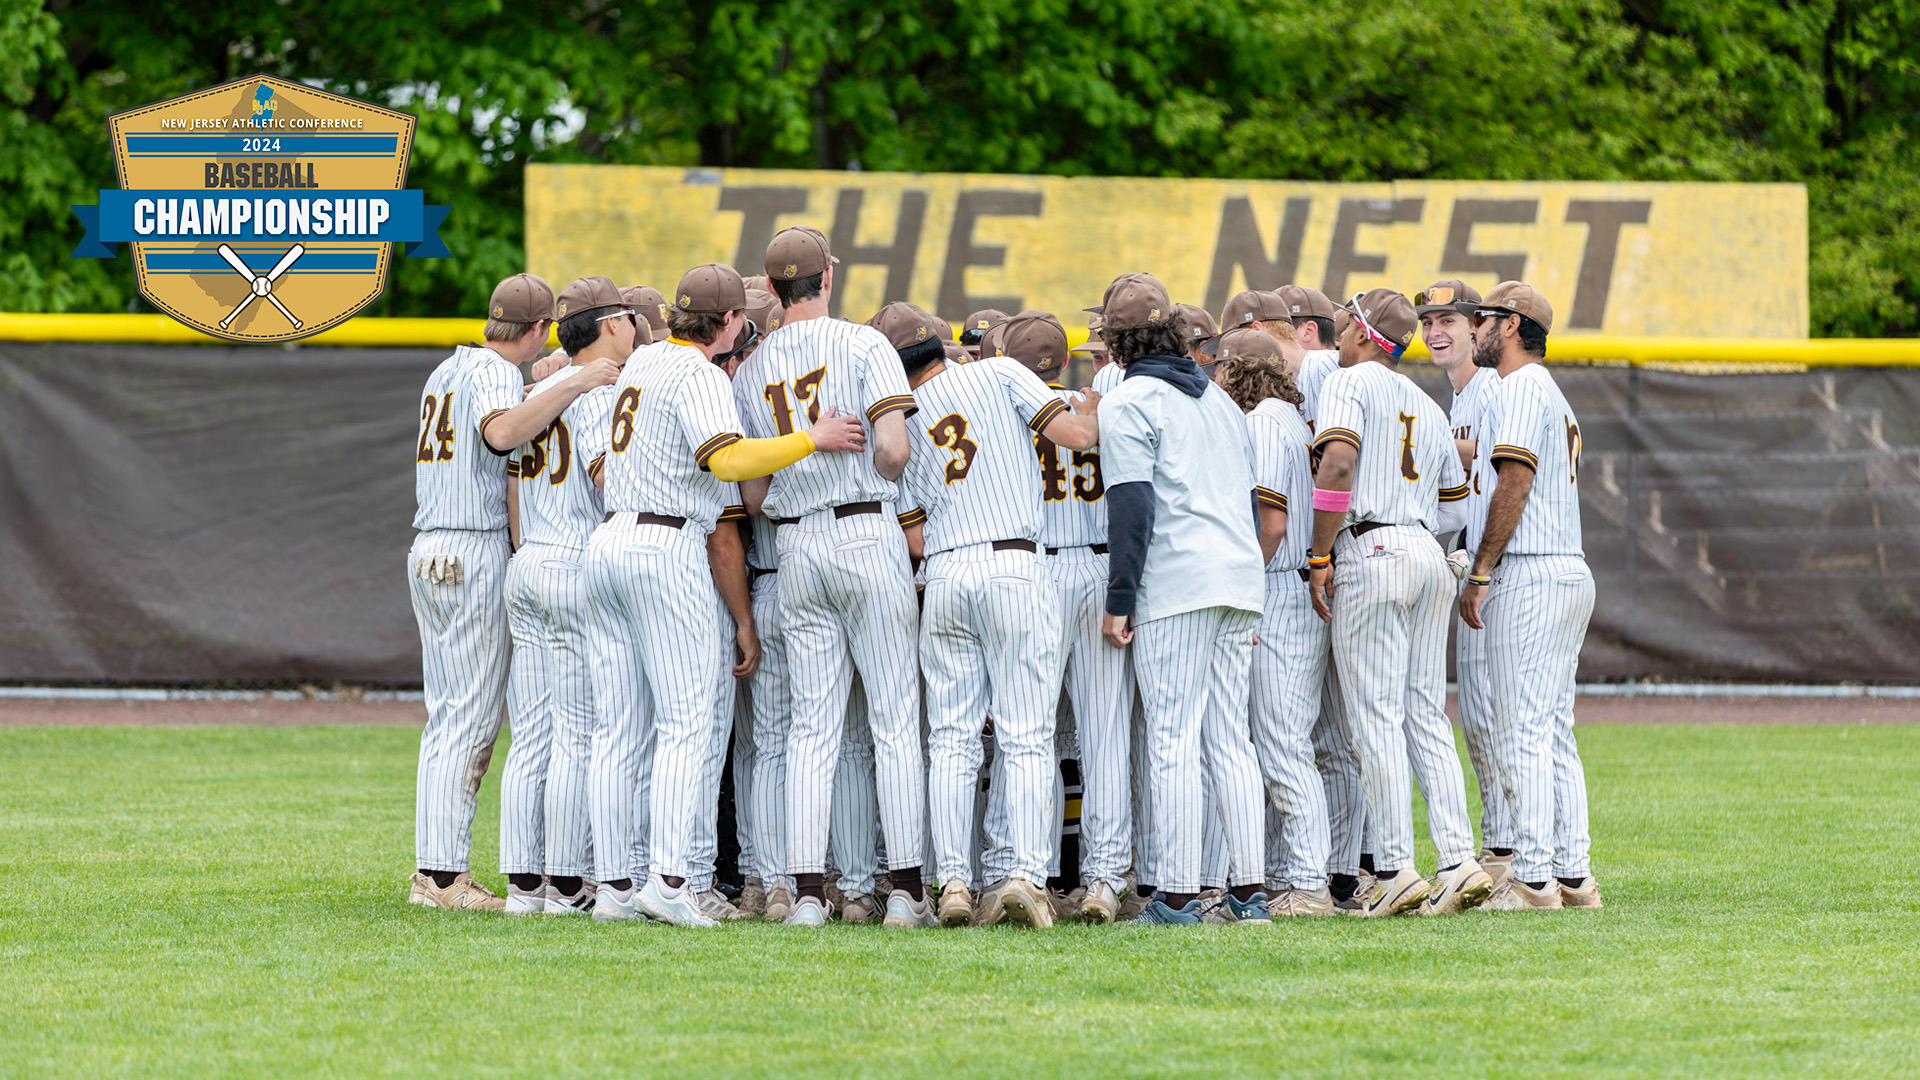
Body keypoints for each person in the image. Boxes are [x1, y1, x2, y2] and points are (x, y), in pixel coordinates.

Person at [581, 262, 864, 926]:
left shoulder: (645, 363)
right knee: (686, 723)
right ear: (733, 321)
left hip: (611, 539)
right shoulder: (697, 373)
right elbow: (727, 462)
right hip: (665, 544)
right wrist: (810, 439)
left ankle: (617, 889)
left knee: (618, 727)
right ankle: (671, 881)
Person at [735, 227, 932, 929]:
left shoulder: (749, 369)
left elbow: (751, 497)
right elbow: (891, 449)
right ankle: (907, 892)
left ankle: (810, 895)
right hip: (862, 528)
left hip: (794, 544)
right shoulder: (863, 343)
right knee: (893, 718)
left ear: (776, 289)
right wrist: (879, 467)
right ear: (824, 280)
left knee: (810, 727)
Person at [408, 272, 620, 912]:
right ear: (536, 330)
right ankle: (443, 878)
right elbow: (501, 433)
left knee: (446, 714)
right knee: (470, 719)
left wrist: (558, 373)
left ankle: (433, 871)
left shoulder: (448, 370)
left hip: (429, 543)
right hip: (469, 546)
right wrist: (579, 379)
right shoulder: (497, 375)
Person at [890, 300, 1101, 929]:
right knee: (1026, 733)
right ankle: (1024, 878)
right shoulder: (1001, 370)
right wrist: (1092, 405)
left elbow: (915, 537)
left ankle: (953, 880)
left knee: (952, 737)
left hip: (948, 569)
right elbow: (1077, 437)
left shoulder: (899, 416)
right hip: (1014, 563)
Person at [1305, 288, 1490, 917]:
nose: (1337, 332)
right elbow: (1456, 505)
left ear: (1361, 334)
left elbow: (1337, 468)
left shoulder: (1347, 383)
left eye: (1343, 323)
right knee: (1425, 715)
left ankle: (1393, 868)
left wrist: (1320, 555)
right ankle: (1459, 861)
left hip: (1370, 548)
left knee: (1375, 718)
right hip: (1426, 553)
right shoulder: (1425, 402)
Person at [1095, 276, 1270, 927]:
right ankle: (1249, 893)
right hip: (1237, 575)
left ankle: (1174, 897)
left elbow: (1132, 507)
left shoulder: (1130, 401)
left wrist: (1121, 596)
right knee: (1231, 739)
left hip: (1178, 581)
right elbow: (1247, 500)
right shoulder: (1221, 401)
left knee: (1171, 740)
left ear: (1116, 342)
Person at [1457, 281, 1601, 912]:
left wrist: (1482, 566)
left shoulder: (1517, 386)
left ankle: (1535, 878)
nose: (1475, 327)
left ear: (1511, 325)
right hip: (1567, 566)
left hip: (1532, 569)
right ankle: (1575, 876)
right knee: (1553, 728)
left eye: (1484, 317)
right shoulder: (1550, 392)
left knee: (1523, 728)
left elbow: (1513, 479)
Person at [498, 275, 637, 916]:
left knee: (530, 734)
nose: (635, 326)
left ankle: (524, 887)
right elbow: (608, 483)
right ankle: (566, 883)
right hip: (574, 563)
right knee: (578, 732)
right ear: (610, 325)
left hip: (528, 562)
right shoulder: (595, 394)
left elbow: (516, 496)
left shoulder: (540, 390)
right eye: (629, 318)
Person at [1209, 327, 1335, 918]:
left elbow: (1273, 523)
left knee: (1282, 747)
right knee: (1284, 744)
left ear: (1236, 373)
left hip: (1277, 588)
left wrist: (1244, 583)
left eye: (1221, 369)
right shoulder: (1289, 417)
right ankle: (1294, 874)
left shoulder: (1260, 422)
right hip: (1290, 590)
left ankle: (1307, 882)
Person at [1414, 279, 1513, 885]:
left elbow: (1503, 456)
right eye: (1427, 321)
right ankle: (1504, 846)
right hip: (1475, 567)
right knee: (1479, 714)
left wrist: (1444, 447)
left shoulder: (1494, 386)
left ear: (1481, 326)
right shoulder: (1459, 397)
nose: (1436, 331)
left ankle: (1510, 851)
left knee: (1497, 715)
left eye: (1450, 319)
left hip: (1500, 570)